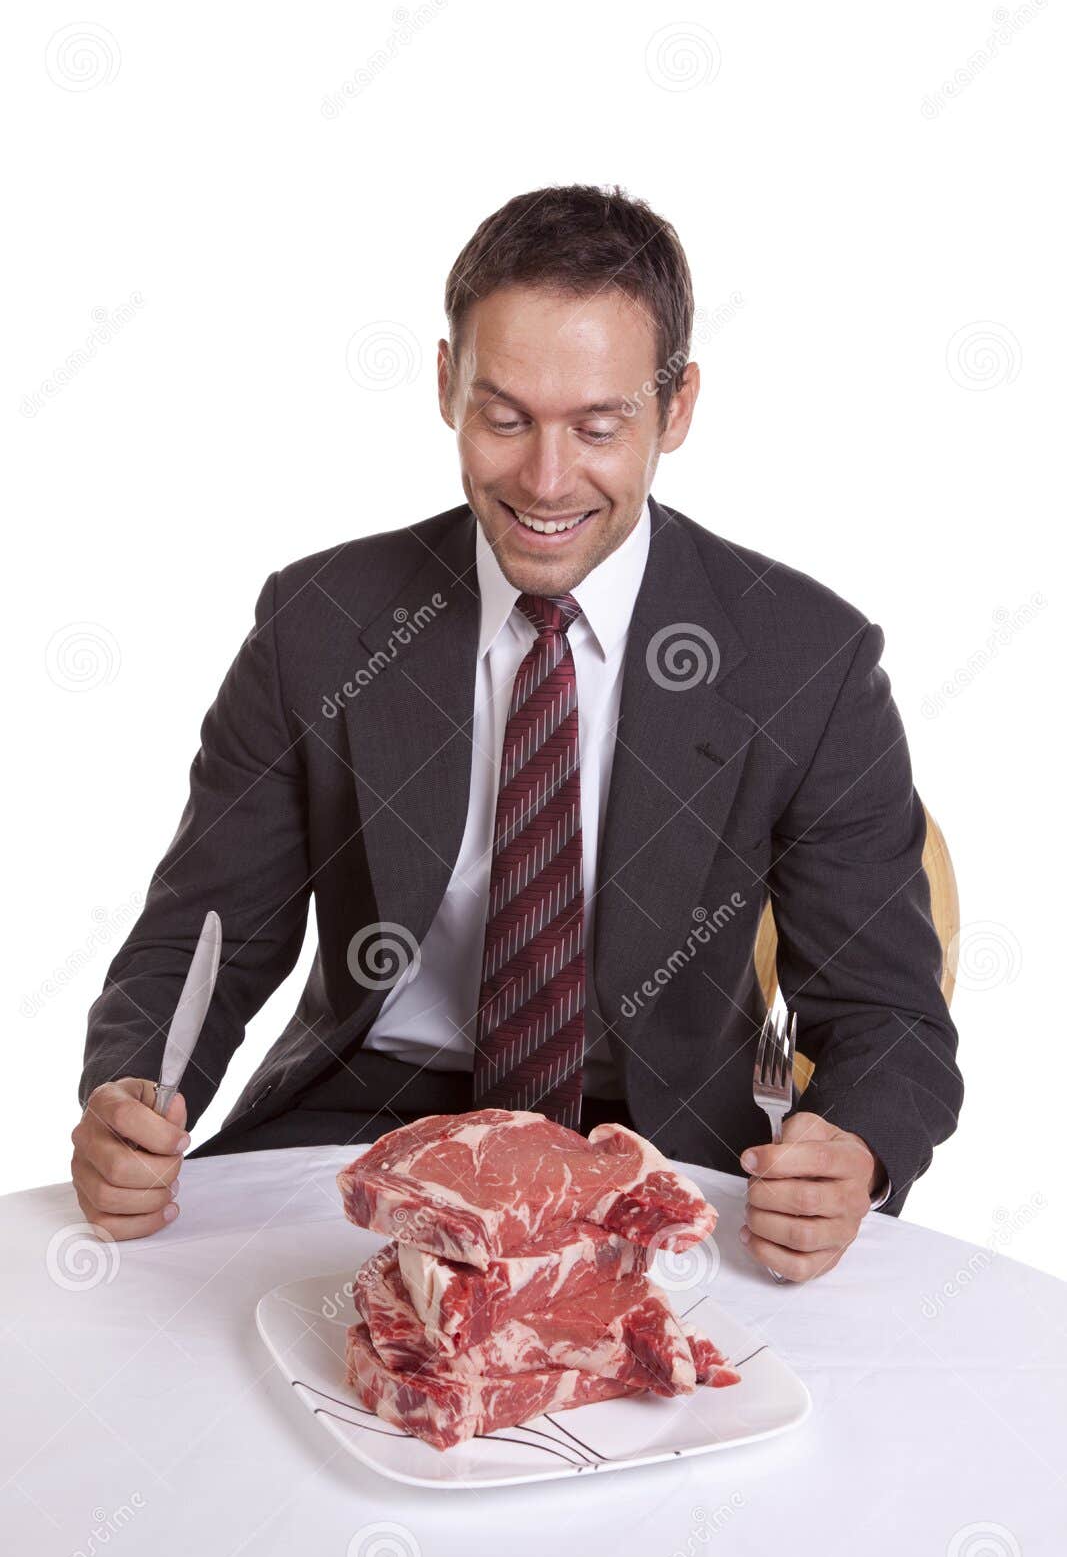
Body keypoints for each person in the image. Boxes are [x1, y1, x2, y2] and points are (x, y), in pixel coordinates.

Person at [73, 184, 962, 1280]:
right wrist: (129, 1094)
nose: (545, 482)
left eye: (598, 427)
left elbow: (885, 1015)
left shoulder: (806, 661)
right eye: (503, 419)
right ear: (446, 384)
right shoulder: (320, 623)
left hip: (659, 1140)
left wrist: (854, 1150)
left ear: (676, 406)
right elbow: (200, 937)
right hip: (361, 1117)